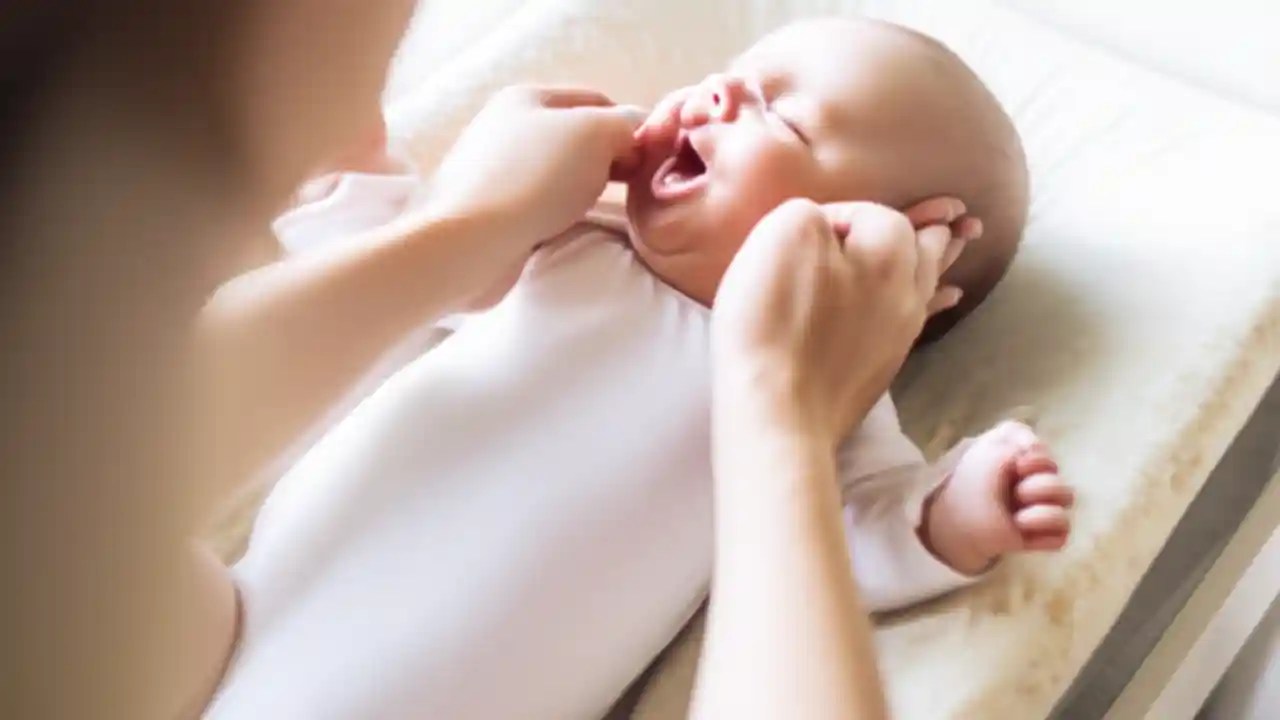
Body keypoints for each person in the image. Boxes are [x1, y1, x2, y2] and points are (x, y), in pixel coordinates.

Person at [0, 6, 978, 720]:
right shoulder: (571, 243)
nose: (720, 94)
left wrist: (951, 516)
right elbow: (411, 307)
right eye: (738, 73)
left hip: (415, 696)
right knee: (109, 567)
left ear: (876, 246)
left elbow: (850, 535)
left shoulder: (833, 382)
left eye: (785, 120)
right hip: (234, 619)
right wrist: (396, 196)